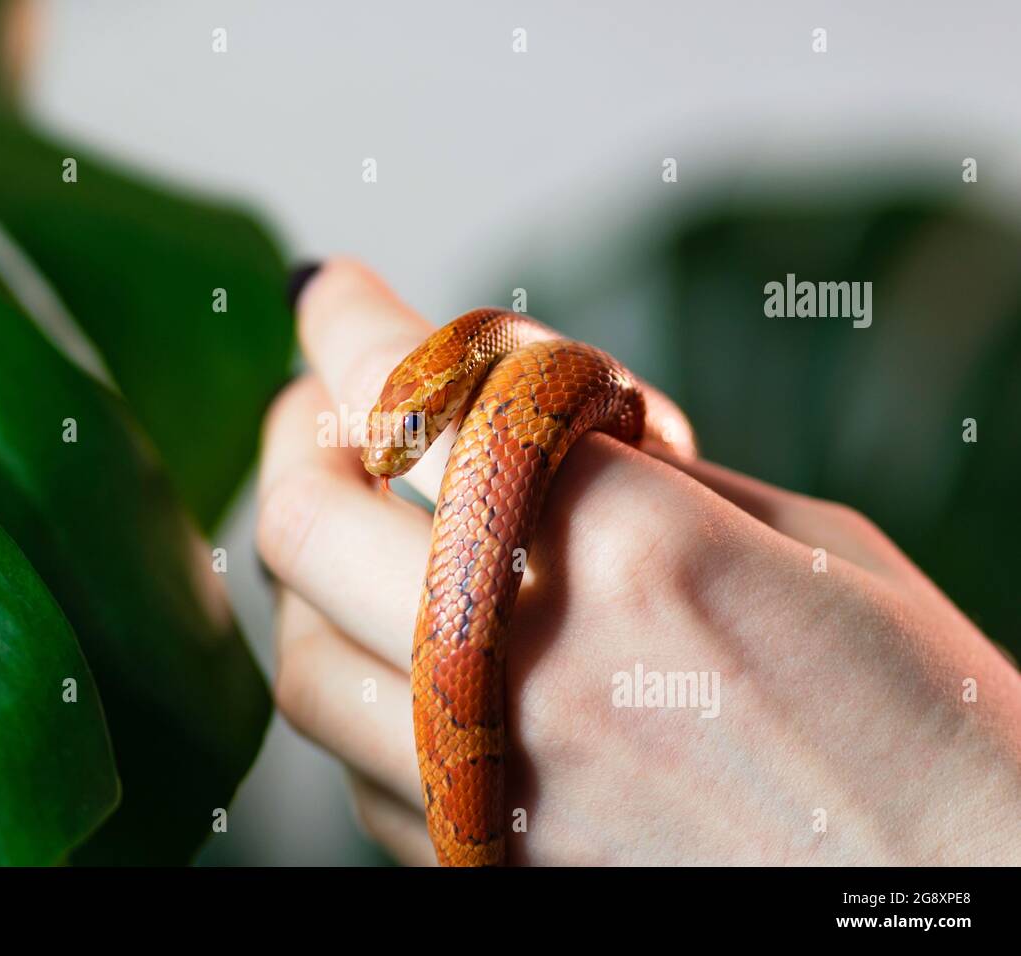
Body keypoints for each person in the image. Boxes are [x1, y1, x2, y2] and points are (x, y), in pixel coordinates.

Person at [255, 258, 1021, 865]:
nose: (392, 450)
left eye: (416, 423)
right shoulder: (485, 359)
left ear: (457, 373)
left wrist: (943, 825)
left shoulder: (502, 347)